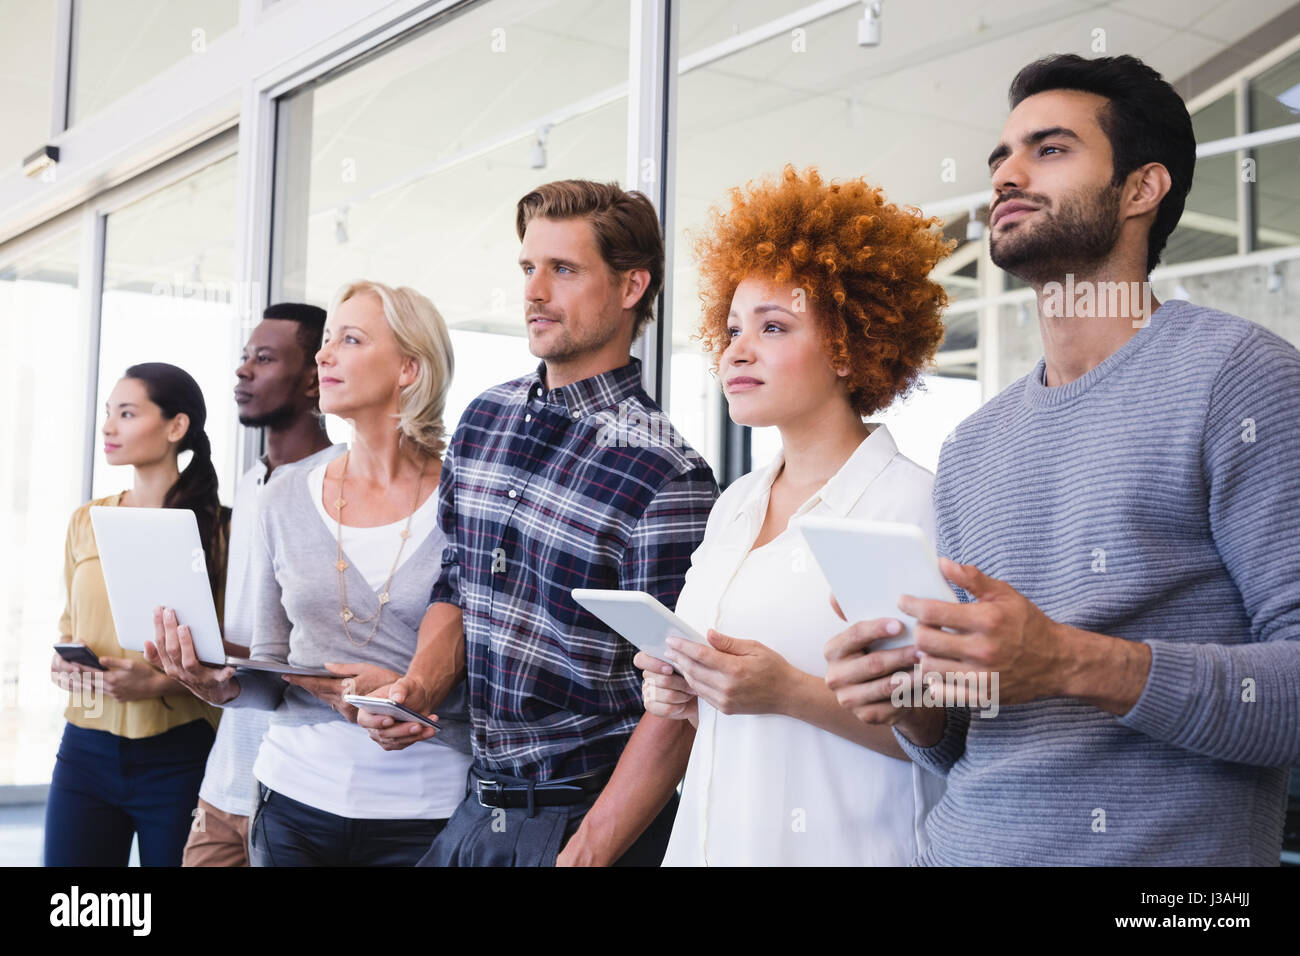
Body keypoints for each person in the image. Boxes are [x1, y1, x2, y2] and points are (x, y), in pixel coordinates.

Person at [824, 53, 1300, 865]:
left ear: (1141, 190)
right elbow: (967, 733)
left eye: (1049, 150)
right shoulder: (974, 444)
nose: (1007, 174)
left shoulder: (1239, 377)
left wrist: (1073, 660)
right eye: (1001, 158)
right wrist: (911, 701)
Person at [359, 180, 719, 867]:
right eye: (528, 268)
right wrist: (419, 689)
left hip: (589, 822)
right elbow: (458, 583)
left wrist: (586, 851)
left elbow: (679, 695)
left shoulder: (666, 474)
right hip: (478, 807)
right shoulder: (482, 421)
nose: (534, 291)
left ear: (630, 286)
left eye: (564, 269)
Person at [631, 166, 951, 865]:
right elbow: (730, 693)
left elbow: (950, 735)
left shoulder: (912, 507)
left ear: (848, 346)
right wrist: (689, 690)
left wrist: (790, 693)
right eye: (734, 327)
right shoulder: (734, 505)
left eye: (773, 327)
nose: (736, 351)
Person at [149, 280, 472, 867]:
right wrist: (219, 685)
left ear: (408, 368)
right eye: (326, 341)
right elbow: (273, 668)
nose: (324, 356)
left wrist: (409, 691)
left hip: (428, 812)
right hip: (294, 801)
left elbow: (492, 661)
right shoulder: (285, 496)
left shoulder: (470, 498)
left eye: (349, 340)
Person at [45, 363, 228, 867]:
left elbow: (237, 655)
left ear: (176, 427)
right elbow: (69, 624)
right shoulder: (86, 520)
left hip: (180, 754)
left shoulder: (220, 530)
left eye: (126, 413)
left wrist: (157, 684)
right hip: (84, 747)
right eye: (109, 413)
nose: (108, 427)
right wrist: (63, 664)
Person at [181, 302, 343, 867]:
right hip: (225, 777)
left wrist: (233, 657)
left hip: (299, 787)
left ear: (313, 378)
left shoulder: (342, 481)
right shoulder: (251, 483)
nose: (243, 370)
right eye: (244, 357)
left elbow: (335, 647)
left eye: (265, 358)